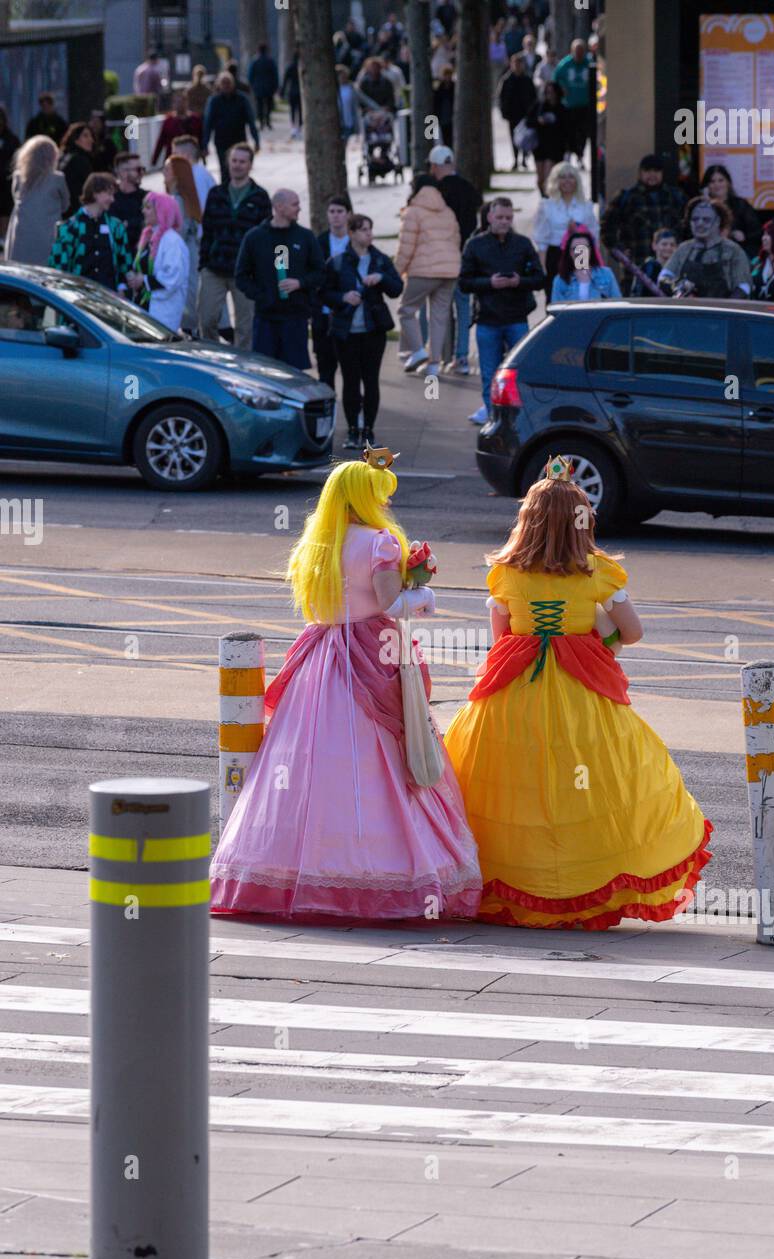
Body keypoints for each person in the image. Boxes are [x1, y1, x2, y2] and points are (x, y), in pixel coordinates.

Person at [210, 453, 482, 924]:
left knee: (303, 763)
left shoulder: (318, 543)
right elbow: (390, 602)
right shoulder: (379, 543)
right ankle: (377, 871)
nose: (388, 500)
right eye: (382, 492)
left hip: (320, 655)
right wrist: (425, 594)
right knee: (386, 756)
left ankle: (280, 872)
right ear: (366, 497)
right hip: (370, 650)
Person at [443, 461, 712, 929]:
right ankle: (584, 887)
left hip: (514, 687)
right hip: (582, 688)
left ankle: (506, 882)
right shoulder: (599, 573)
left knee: (513, 790)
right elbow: (634, 633)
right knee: (589, 788)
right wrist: (595, 643)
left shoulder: (505, 574)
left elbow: (501, 638)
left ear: (527, 520)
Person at [459, 194, 544, 425]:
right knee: (489, 374)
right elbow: (464, 282)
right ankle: (494, 418)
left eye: (508, 217)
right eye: (499, 217)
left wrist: (519, 281)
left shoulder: (523, 244)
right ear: (489, 217)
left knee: (518, 371)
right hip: (488, 318)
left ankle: (517, 417)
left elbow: (539, 278)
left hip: (517, 317)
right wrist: (489, 283)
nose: (504, 222)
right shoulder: (475, 245)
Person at [323, 212, 402, 448]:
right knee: (350, 380)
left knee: (371, 380)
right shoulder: (337, 262)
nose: (369, 234)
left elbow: (397, 288)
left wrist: (381, 278)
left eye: (370, 229)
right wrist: (343, 297)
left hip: (373, 330)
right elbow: (323, 293)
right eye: (364, 230)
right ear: (352, 233)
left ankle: (368, 429)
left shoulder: (380, 260)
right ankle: (351, 430)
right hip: (345, 331)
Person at [235, 187, 324, 369]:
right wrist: (262, 295)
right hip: (265, 319)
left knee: (294, 373)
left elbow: (320, 273)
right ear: (279, 207)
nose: (299, 208)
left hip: (295, 319)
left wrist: (300, 283)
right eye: (295, 204)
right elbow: (241, 276)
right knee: (266, 371)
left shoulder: (305, 237)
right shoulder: (255, 237)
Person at [198, 142, 270, 351]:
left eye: (242, 162)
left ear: (250, 165)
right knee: (207, 318)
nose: (237, 165)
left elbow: (266, 238)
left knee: (245, 327)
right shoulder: (216, 194)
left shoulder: (259, 196)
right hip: (214, 268)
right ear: (228, 163)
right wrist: (203, 265)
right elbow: (207, 230)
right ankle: (212, 359)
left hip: (245, 273)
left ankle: (242, 368)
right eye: (234, 161)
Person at [394, 173, 461, 378]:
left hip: (422, 270)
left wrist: (397, 271)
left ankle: (418, 351)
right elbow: (456, 239)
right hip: (449, 270)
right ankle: (434, 365)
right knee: (439, 317)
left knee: (406, 310)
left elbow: (406, 246)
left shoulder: (413, 211)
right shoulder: (448, 211)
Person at [427, 145, 482, 375]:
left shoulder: (434, 192)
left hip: (440, 257)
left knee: (440, 310)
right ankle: (461, 357)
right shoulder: (469, 189)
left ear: (435, 166)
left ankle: (439, 357)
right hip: (463, 256)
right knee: (463, 308)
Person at [601, 154, 687, 276]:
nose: (652, 175)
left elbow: (689, 226)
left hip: (672, 267)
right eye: (647, 171)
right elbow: (606, 226)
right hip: (636, 269)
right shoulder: (626, 198)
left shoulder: (676, 197)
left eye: (656, 171)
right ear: (640, 173)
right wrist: (619, 251)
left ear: (662, 173)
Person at [48, 172, 133, 291]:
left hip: (110, 298)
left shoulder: (116, 226)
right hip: (79, 298)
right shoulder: (70, 227)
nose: (112, 199)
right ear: (95, 193)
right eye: (109, 194)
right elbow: (58, 266)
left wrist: (122, 287)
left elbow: (125, 261)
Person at [658, 196, 751, 299]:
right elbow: (663, 277)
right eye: (695, 219)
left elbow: (744, 287)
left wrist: (727, 309)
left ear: (718, 221)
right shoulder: (683, 249)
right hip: (688, 312)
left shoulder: (733, 251)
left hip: (721, 312)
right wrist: (677, 286)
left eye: (706, 220)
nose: (700, 223)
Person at [533, 161, 598, 302]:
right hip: (556, 253)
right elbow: (541, 240)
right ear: (556, 181)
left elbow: (594, 235)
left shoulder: (585, 206)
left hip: (581, 251)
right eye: (562, 177)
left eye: (571, 176)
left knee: (582, 294)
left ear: (577, 180)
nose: (567, 181)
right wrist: (542, 268)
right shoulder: (546, 206)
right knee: (555, 296)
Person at [127, 191, 190, 331]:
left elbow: (173, 278)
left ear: (162, 211)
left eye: (148, 208)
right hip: (145, 310)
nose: (143, 211)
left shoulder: (172, 241)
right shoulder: (150, 236)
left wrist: (143, 280)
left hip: (162, 314)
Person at [3, 136, 69, 266]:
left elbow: (15, 197)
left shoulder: (18, 177)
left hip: (20, 236)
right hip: (47, 236)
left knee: (20, 276)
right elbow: (66, 205)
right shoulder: (57, 179)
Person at [312, 193, 352, 388]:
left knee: (350, 367)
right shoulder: (318, 243)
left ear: (348, 215)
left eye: (340, 211)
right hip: (323, 313)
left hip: (348, 314)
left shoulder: (355, 243)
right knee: (325, 365)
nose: (335, 216)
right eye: (332, 211)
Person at [163, 153, 202, 331]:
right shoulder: (177, 199)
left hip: (183, 259)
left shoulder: (178, 201)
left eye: (167, 169)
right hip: (183, 258)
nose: (164, 172)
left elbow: (178, 232)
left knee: (187, 297)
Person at [202, 73, 260, 183]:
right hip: (221, 141)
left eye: (228, 83)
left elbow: (251, 121)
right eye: (223, 83)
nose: (226, 86)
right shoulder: (214, 101)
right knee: (225, 171)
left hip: (238, 140)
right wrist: (205, 144)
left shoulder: (242, 99)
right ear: (219, 85)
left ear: (233, 84)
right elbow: (208, 124)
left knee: (240, 169)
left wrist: (256, 140)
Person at [700, 163, 762, 259]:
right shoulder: (701, 207)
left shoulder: (741, 205)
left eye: (721, 180)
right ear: (707, 186)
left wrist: (744, 236)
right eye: (712, 181)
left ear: (728, 183)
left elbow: (757, 233)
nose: (717, 185)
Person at [551, 226, 621, 303]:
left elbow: (617, 303)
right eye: (575, 248)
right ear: (570, 253)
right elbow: (557, 311)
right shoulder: (560, 280)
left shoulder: (606, 274)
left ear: (591, 250)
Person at [525, 81, 569, 195]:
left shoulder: (562, 109)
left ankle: (549, 200)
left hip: (555, 147)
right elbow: (528, 122)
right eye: (548, 92)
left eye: (552, 92)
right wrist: (539, 121)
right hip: (539, 146)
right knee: (540, 180)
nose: (550, 95)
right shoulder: (539, 106)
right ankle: (544, 198)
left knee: (548, 177)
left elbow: (568, 129)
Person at [553, 38, 593, 165]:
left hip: (585, 105)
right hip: (569, 105)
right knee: (570, 131)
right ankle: (569, 153)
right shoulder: (564, 65)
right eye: (577, 52)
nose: (579, 55)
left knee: (583, 132)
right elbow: (555, 81)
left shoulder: (590, 63)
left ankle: (580, 155)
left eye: (581, 52)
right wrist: (561, 89)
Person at [498, 54, 537, 172]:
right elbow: (501, 98)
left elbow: (533, 97)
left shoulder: (527, 80)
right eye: (515, 64)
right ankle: (515, 159)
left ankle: (524, 159)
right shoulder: (506, 80)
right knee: (513, 138)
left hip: (525, 114)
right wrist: (504, 112)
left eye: (519, 64)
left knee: (525, 137)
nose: (517, 66)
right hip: (512, 114)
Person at [151, 90, 202, 167]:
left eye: (182, 101)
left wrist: (203, 154)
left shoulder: (195, 119)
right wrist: (154, 159)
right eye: (177, 102)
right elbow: (161, 141)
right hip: (172, 159)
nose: (179, 104)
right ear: (173, 104)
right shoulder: (168, 121)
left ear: (186, 102)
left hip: (190, 159)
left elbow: (201, 138)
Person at [111, 151, 147, 255]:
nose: (142, 173)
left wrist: (128, 223)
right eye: (138, 170)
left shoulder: (147, 197)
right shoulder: (111, 199)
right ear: (123, 173)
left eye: (142, 169)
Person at [171, 134, 215, 214]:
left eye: (175, 153)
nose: (172, 158)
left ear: (185, 155)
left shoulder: (197, 176)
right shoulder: (196, 172)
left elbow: (201, 210)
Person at [58, 123, 95, 217]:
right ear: (75, 139)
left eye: (91, 136)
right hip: (75, 211)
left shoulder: (63, 157)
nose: (91, 140)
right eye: (85, 136)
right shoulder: (80, 160)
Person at [630, 225, 678, 295]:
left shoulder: (679, 269)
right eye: (664, 244)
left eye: (672, 245)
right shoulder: (647, 268)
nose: (668, 248)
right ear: (654, 246)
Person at [248, 41, 279, 131]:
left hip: (258, 87)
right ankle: (268, 121)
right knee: (269, 105)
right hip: (269, 87)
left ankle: (261, 122)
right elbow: (275, 74)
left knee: (260, 105)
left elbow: (250, 75)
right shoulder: (270, 61)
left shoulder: (255, 61)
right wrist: (276, 86)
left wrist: (251, 85)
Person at [0, 108, 21, 239]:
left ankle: (4, 238)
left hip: (7, 183)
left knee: (5, 212)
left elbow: (18, 158)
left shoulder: (12, 139)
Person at [336, 66, 362, 145]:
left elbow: (364, 99)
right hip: (336, 121)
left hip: (348, 120)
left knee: (344, 143)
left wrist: (378, 108)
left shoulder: (352, 87)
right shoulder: (333, 88)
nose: (342, 78)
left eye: (344, 75)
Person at [432, 65, 455, 150]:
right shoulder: (439, 87)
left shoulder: (454, 86)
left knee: (451, 138)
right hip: (442, 116)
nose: (448, 77)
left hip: (451, 116)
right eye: (446, 75)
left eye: (449, 75)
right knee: (444, 137)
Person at [281, 51, 303, 136]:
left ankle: (293, 127)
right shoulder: (302, 67)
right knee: (301, 110)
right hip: (300, 93)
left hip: (292, 91)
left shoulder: (290, 67)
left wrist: (282, 92)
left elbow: (285, 81)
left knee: (293, 110)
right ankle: (300, 126)